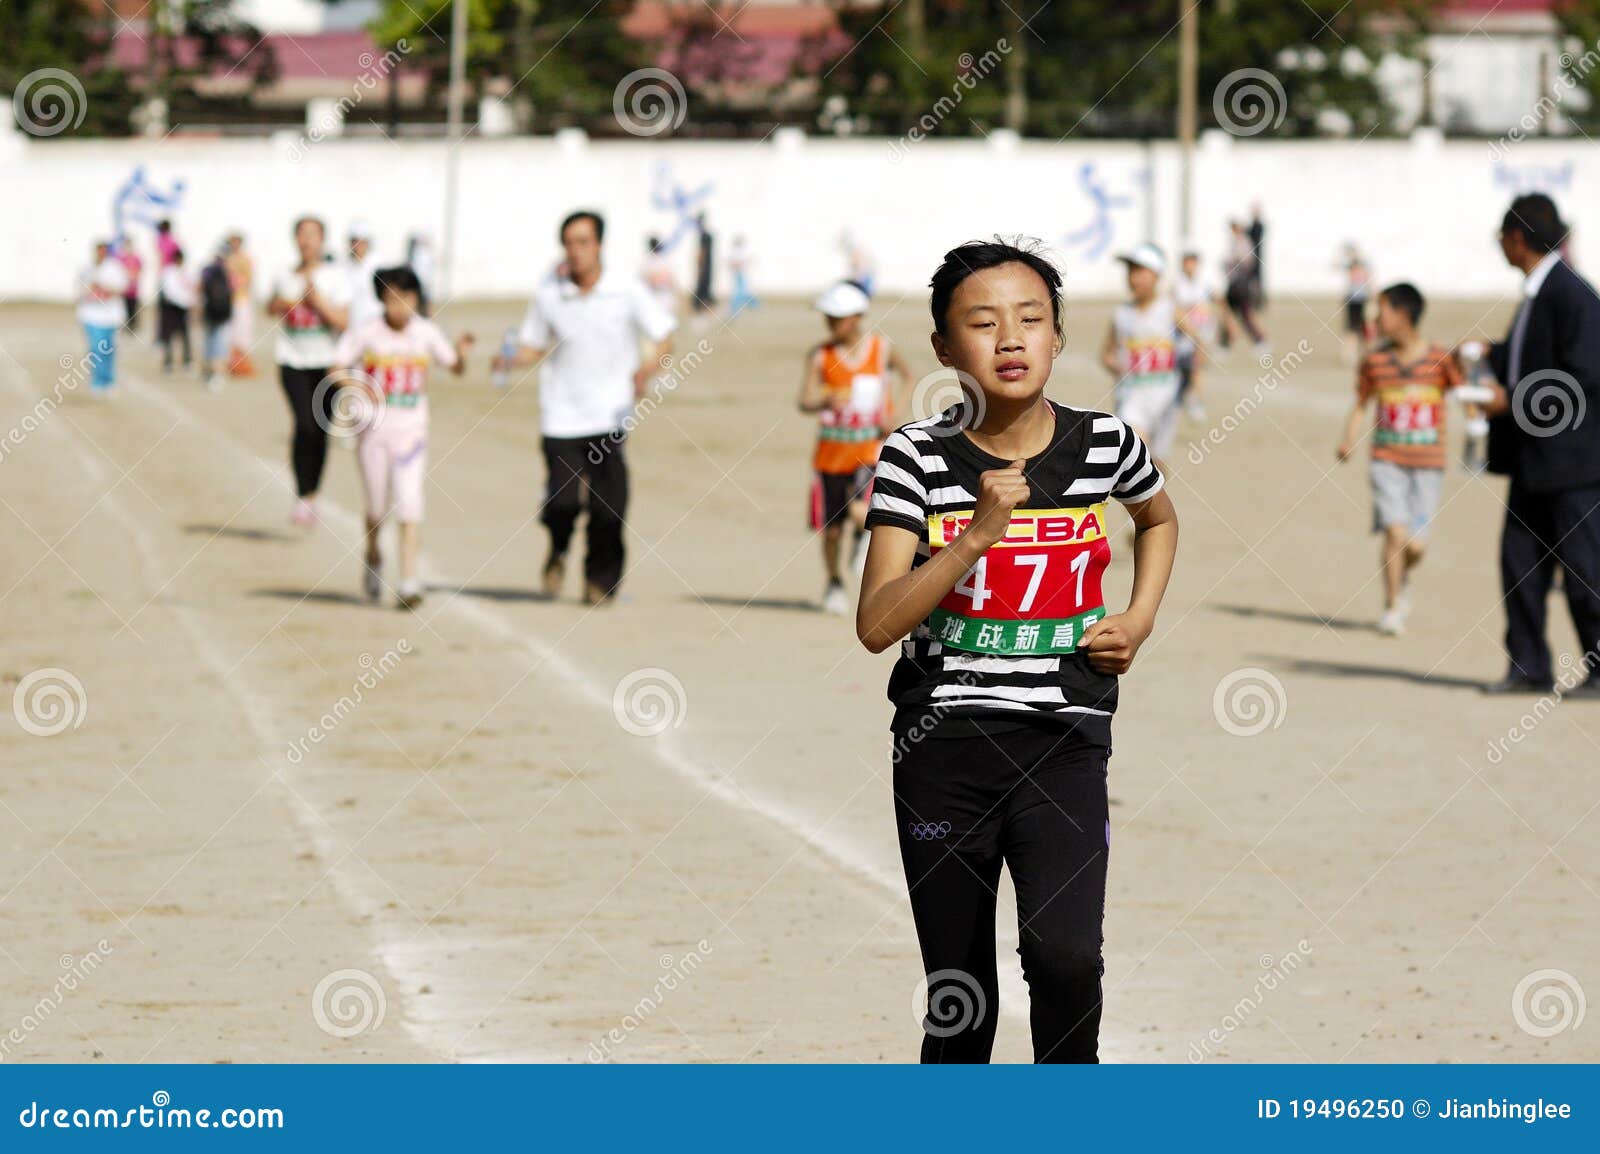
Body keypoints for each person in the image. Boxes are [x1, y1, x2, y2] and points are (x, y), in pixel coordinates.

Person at [858, 239, 1178, 1064]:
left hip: (1065, 747)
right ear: (942, 348)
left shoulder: (1104, 443)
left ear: (1058, 338)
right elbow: (876, 623)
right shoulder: (915, 457)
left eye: (1031, 320)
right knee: (961, 999)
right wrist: (971, 541)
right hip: (944, 752)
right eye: (983, 322)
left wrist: (1138, 618)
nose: (1010, 339)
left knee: (1067, 964)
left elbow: (1158, 517)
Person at [494, 210, 676, 604]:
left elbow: (664, 336)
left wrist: (648, 370)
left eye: (583, 242)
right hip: (561, 415)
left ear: (599, 245)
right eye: (569, 243)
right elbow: (533, 344)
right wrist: (507, 359)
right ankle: (558, 548)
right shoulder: (550, 292)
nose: (575, 251)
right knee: (561, 502)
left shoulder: (626, 289)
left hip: (610, 414)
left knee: (609, 509)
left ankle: (600, 581)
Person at [1479, 194, 1600, 696]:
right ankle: (1529, 667)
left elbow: (1585, 373)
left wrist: (1511, 400)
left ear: (1515, 238)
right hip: (1536, 460)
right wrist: (1488, 354)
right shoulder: (1542, 290)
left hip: (1573, 463)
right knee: (1520, 564)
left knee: (1585, 570)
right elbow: (1534, 356)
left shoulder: (1570, 293)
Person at [333, 265, 473, 610]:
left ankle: (409, 580)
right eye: (392, 297)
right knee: (376, 508)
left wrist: (462, 354)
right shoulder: (367, 332)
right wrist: (359, 385)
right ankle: (373, 552)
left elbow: (453, 365)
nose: (399, 306)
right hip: (373, 432)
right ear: (382, 299)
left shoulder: (425, 332)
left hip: (411, 432)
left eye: (406, 297)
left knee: (410, 503)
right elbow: (336, 367)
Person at [1336, 283, 1462, 636]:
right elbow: (1362, 401)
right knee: (1394, 531)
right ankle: (1392, 607)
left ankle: (1403, 577)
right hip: (1386, 459)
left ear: (1404, 316)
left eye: (1383, 311)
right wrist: (1348, 437)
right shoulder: (1374, 360)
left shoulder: (1440, 359)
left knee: (1416, 544)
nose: (1376, 318)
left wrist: (1477, 429)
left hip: (1428, 464)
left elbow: (1462, 393)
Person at [798, 281, 910, 615]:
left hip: (870, 449)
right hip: (831, 452)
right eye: (828, 317)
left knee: (865, 511)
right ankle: (833, 581)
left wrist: (894, 413)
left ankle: (862, 540)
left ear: (857, 317)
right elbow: (804, 400)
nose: (832, 324)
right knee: (831, 531)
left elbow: (909, 375)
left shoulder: (881, 350)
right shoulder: (820, 355)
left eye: (838, 317)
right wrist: (824, 399)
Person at [267, 216, 352, 527]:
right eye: (301, 234)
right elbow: (271, 306)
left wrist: (317, 302)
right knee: (304, 424)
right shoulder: (283, 275)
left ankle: (313, 493)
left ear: (322, 239)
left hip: (329, 364)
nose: (306, 240)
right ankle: (302, 492)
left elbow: (343, 321)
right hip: (292, 361)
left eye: (313, 234)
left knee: (321, 430)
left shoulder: (336, 277)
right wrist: (283, 303)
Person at [1101, 243, 1196, 469]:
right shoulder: (1121, 314)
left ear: (1156, 275)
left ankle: (1155, 502)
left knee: (1157, 466)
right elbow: (1106, 353)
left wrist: (1190, 376)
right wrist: (1116, 366)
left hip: (1165, 398)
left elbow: (1198, 343)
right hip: (1132, 397)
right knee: (1136, 459)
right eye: (1130, 272)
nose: (1133, 278)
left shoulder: (1170, 309)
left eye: (1140, 271)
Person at [1172, 248, 1221, 422]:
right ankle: (1181, 401)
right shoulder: (1177, 285)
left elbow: (1217, 301)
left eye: (1193, 262)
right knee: (1182, 373)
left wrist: (1227, 322)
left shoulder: (1205, 282)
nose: (1190, 266)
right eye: (1187, 262)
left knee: (1197, 368)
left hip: (1202, 334)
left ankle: (1195, 402)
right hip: (1182, 337)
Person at [76, 241, 130, 397]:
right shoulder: (86, 269)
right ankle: (97, 381)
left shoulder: (115, 268)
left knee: (107, 350)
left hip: (110, 316)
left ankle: (108, 380)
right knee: (95, 349)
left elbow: (122, 288)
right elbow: (79, 291)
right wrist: (90, 288)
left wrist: (106, 287)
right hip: (91, 315)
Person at [1221, 219, 1267, 353]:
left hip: (1241, 285)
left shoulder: (1243, 243)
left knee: (1245, 316)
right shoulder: (1232, 242)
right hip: (1232, 283)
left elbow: (1248, 261)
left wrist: (1234, 261)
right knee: (1226, 314)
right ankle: (1224, 344)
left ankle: (1260, 340)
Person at [198, 244, 234, 388]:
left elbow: (200, 288)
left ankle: (210, 370)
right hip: (222, 312)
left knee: (210, 341)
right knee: (219, 341)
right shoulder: (228, 271)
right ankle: (217, 372)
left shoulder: (207, 270)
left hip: (210, 310)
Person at [156, 247, 195, 374]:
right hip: (171, 308)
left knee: (185, 335)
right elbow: (170, 292)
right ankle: (168, 362)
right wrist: (183, 300)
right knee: (168, 336)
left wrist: (189, 303)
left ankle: (187, 360)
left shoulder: (187, 272)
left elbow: (191, 289)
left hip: (183, 309)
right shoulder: (168, 272)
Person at [224, 232, 257, 377]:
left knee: (243, 333)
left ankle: (243, 364)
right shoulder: (227, 259)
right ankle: (234, 364)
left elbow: (248, 279)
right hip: (230, 301)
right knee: (232, 334)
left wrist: (236, 283)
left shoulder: (245, 259)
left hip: (242, 299)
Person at [345, 222, 383, 333]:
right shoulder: (343, 266)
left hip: (374, 325)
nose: (358, 245)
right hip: (350, 328)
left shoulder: (380, 265)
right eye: (355, 241)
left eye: (362, 242)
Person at [1340, 243, 1373, 366]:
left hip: (1362, 299)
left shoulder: (1364, 264)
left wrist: (1372, 294)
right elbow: (1335, 266)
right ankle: (1349, 355)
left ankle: (1366, 353)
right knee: (1350, 329)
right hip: (1351, 300)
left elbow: (1369, 280)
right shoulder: (1349, 265)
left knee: (1364, 328)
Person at [642, 235, 679, 320]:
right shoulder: (648, 262)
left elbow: (672, 281)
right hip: (654, 299)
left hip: (665, 298)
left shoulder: (665, 260)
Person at [116, 236, 143, 334]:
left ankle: (133, 326)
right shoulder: (121, 258)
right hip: (124, 289)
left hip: (133, 289)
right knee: (123, 308)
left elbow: (139, 270)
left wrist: (133, 276)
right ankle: (125, 326)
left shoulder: (136, 258)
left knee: (133, 308)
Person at [728, 234, 759, 315]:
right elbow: (734, 263)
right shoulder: (736, 252)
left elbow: (738, 262)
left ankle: (753, 305)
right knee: (741, 292)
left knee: (743, 291)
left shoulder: (739, 252)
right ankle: (736, 308)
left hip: (741, 274)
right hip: (738, 274)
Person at [692, 213, 715, 316]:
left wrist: (699, 265)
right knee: (705, 286)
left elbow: (703, 252)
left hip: (705, 267)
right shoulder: (707, 235)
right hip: (708, 266)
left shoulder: (704, 236)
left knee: (703, 287)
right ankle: (704, 306)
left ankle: (701, 307)